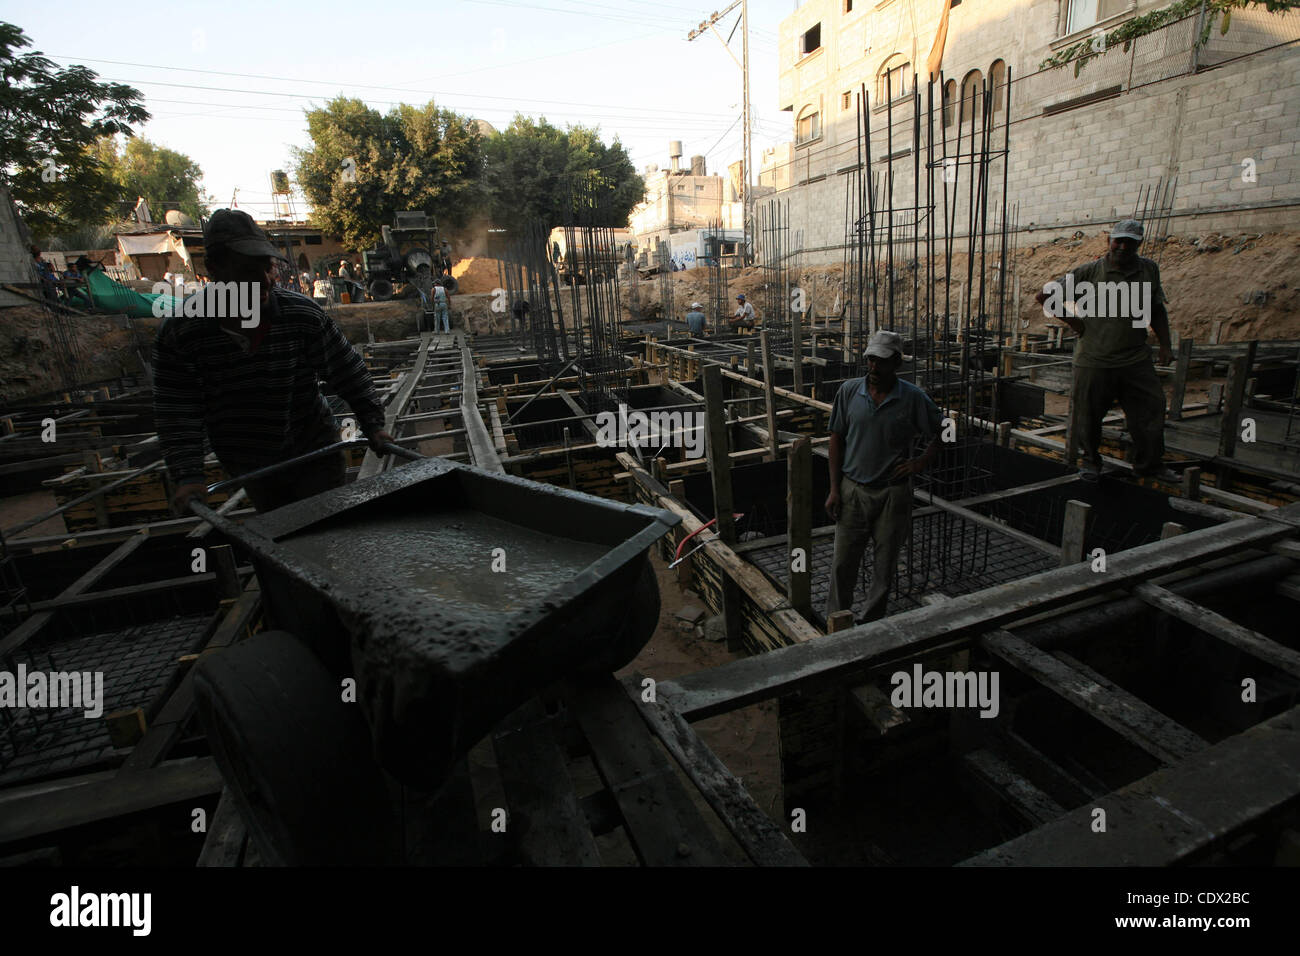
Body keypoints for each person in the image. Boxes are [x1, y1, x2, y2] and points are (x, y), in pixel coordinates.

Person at [153, 209, 393, 514]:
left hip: (313, 447)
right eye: (247, 270)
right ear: (214, 269)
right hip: (249, 460)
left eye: (267, 268)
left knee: (326, 528)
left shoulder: (300, 315)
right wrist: (187, 474)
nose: (264, 280)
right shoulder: (184, 332)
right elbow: (177, 408)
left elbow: (347, 370)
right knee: (279, 529)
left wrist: (373, 424)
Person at [1034, 219, 1174, 481]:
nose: (1122, 247)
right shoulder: (1089, 272)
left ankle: (1150, 465)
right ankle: (1090, 461)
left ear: (1138, 244)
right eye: (1117, 241)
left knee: (1151, 409)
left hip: (1135, 358)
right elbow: (1045, 297)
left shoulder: (1148, 270)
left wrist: (1165, 344)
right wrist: (1075, 322)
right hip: (1094, 360)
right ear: (1109, 241)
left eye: (1129, 243)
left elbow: (1156, 308)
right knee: (1088, 416)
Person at [825, 330, 942, 623]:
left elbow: (946, 431)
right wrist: (834, 489)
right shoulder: (850, 391)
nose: (874, 367)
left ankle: (871, 622)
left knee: (885, 563)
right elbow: (836, 438)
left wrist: (919, 463)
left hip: (893, 493)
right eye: (870, 360)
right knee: (842, 564)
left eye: (882, 361)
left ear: (897, 363)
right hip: (853, 490)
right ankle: (837, 620)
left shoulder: (912, 398)